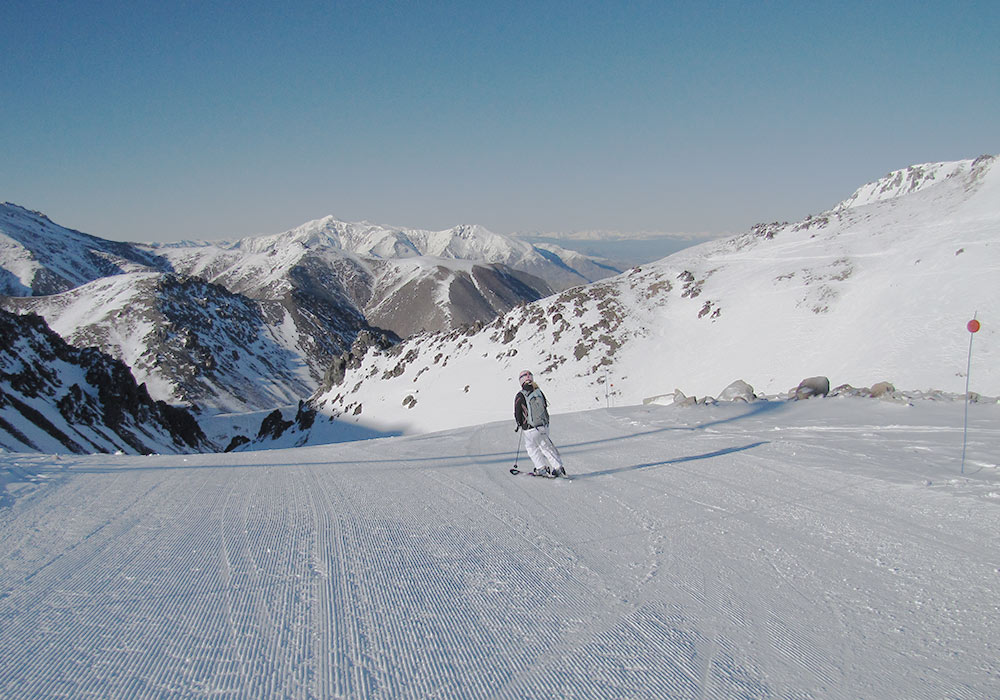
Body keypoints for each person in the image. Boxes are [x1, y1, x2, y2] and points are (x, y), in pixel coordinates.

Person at [514, 369, 566, 477]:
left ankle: (541, 468)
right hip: (544, 425)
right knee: (546, 446)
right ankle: (558, 467)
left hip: (530, 428)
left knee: (531, 447)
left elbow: (518, 413)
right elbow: (545, 406)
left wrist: (519, 423)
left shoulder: (520, 395)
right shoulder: (539, 392)